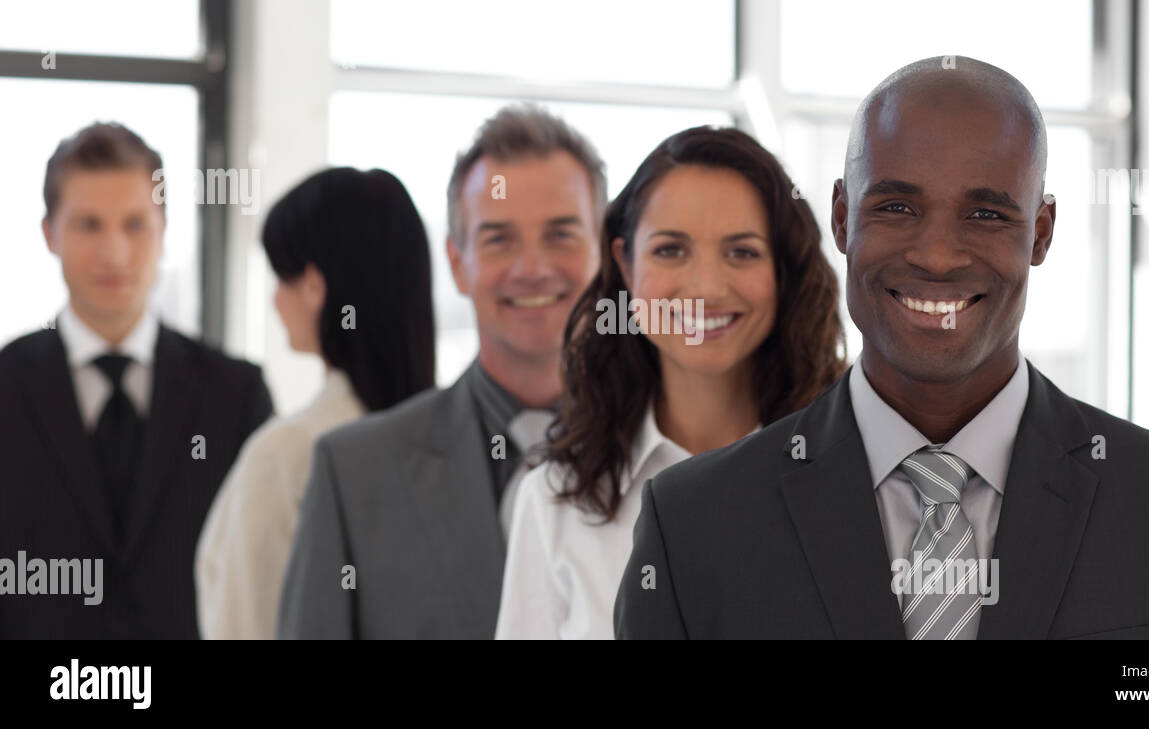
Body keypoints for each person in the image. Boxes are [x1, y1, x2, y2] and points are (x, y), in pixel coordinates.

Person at [614, 57, 1149, 640]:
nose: (935, 254)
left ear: (1041, 232)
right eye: (897, 207)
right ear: (842, 217)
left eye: (985, 214)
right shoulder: (692, 526)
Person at [495, 127, 846, 639]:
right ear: (624, 263)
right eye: (670, 250)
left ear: (783, 272)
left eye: (742, 252)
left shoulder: (851, 476)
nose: (706, 287)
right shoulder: (554, 501)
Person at [277, 105, 603, 638]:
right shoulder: (354, 471)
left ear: (603, 255)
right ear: (457, 263)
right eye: (499, 238)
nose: (533, 268)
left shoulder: (670, 463)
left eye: (561, 234)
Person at [0, 122, 273, 638]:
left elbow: (264, 579)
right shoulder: (6, 390)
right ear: (49, 234)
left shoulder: (236, 397)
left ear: (164, 230)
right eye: (88, 225)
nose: (114, 252)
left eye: (134, 224)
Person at [195, 167, 436, 639]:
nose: (275, 300)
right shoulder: (456, 445)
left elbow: (244, 628)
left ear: (314, 284)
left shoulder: (289, 454)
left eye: (282, 276)